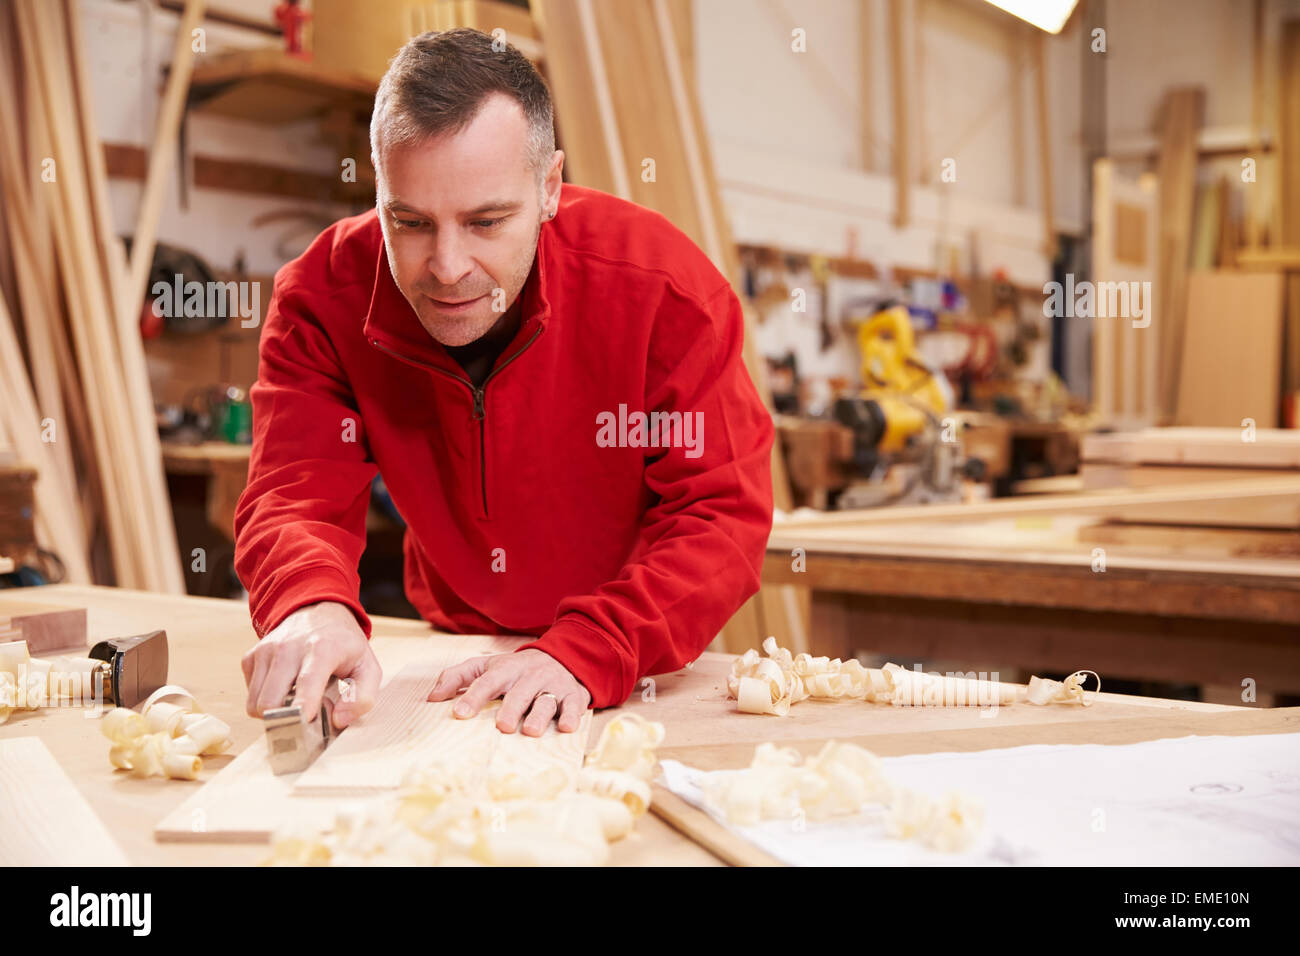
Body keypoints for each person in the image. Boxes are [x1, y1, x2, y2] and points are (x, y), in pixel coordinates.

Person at [235, 28, 774, 737]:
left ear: (549, 187)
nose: (448, 265)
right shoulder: (322, 296)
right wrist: (309, 604)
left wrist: (593, 649)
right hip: (457, 648)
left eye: (487, 222)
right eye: (411, 221)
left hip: (635, 655)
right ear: (379, 190)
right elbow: (293, 490)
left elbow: (719, 513)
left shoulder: (661, 290)